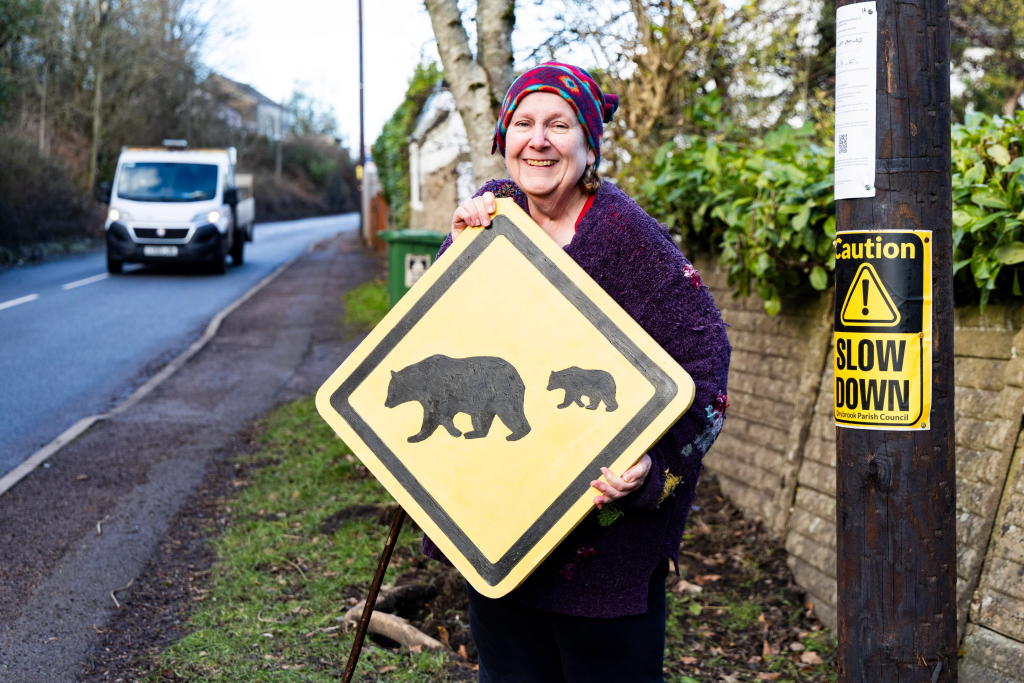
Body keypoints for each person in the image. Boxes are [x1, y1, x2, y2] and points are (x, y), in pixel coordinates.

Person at [425, 62, 732, 683]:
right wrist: (454, 256)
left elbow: (707, 362)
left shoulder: (628, 238)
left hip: (604, 559)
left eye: (559, 125)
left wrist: (656, 468)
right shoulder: (493, 217)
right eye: (525, 123)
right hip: (501, 534)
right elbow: (440, 340)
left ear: (589, 143)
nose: (538, 140)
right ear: (504, 137)